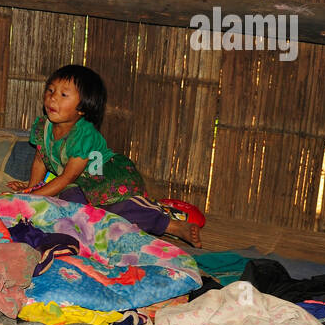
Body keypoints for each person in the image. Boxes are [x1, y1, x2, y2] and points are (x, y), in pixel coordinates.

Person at [26, 65, 201, 246]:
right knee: (72, 209)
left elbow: (69, 175)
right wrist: (30, 190)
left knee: (124, 210)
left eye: (63, 94)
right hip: (77, 185)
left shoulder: (84, 135)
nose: (53, 97)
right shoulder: (42, 127)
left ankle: (172, 225)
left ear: (82, 108)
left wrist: (33, 197)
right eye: (51, 90)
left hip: (106, 179)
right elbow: (40, 160)